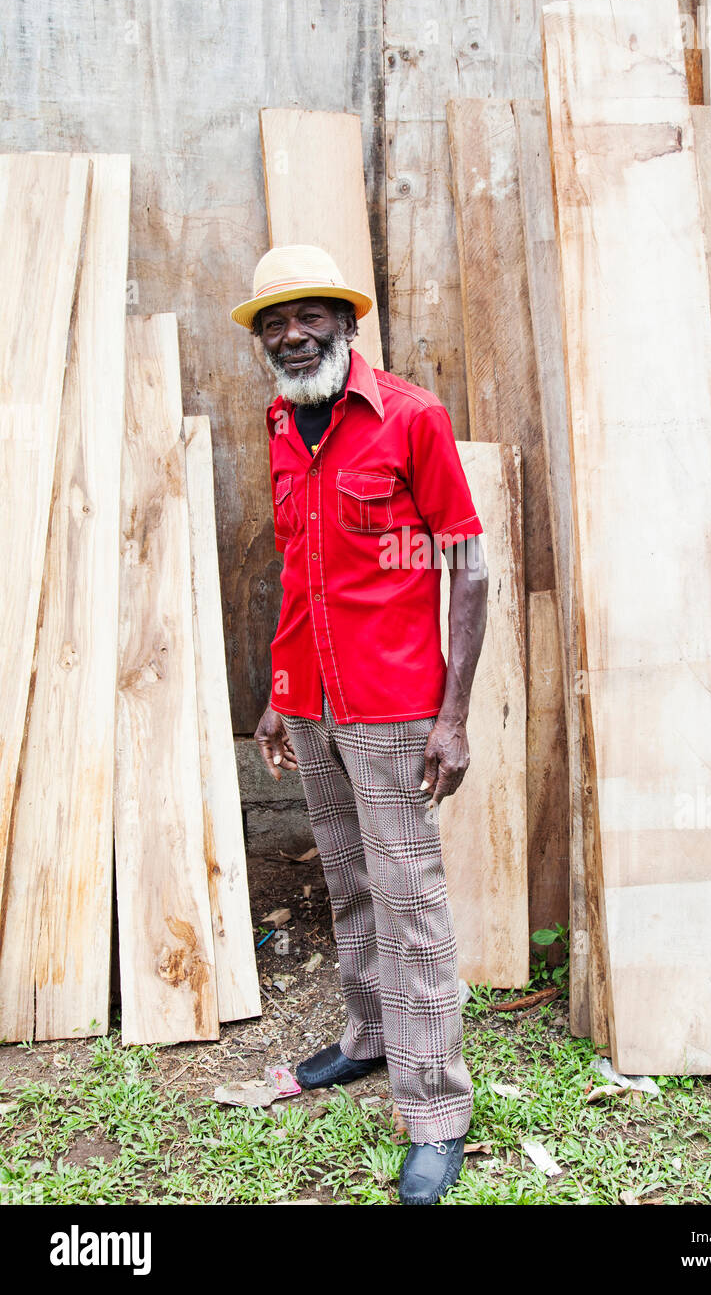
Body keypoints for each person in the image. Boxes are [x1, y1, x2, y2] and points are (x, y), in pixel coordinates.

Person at [231, 245, 488, 1205]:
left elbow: (465, 564)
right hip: (313, 704)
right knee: (347, 886)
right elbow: (302, 571)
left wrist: (453, 713)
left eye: (310, 315)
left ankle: (435, 1116)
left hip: (392, 708)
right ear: (263, 338)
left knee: (411, 905)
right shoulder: (278, 421)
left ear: (348, 322)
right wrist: (277, 690)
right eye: (274, 321)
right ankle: (371, 1040)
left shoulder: (411, 418)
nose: (293, 334)